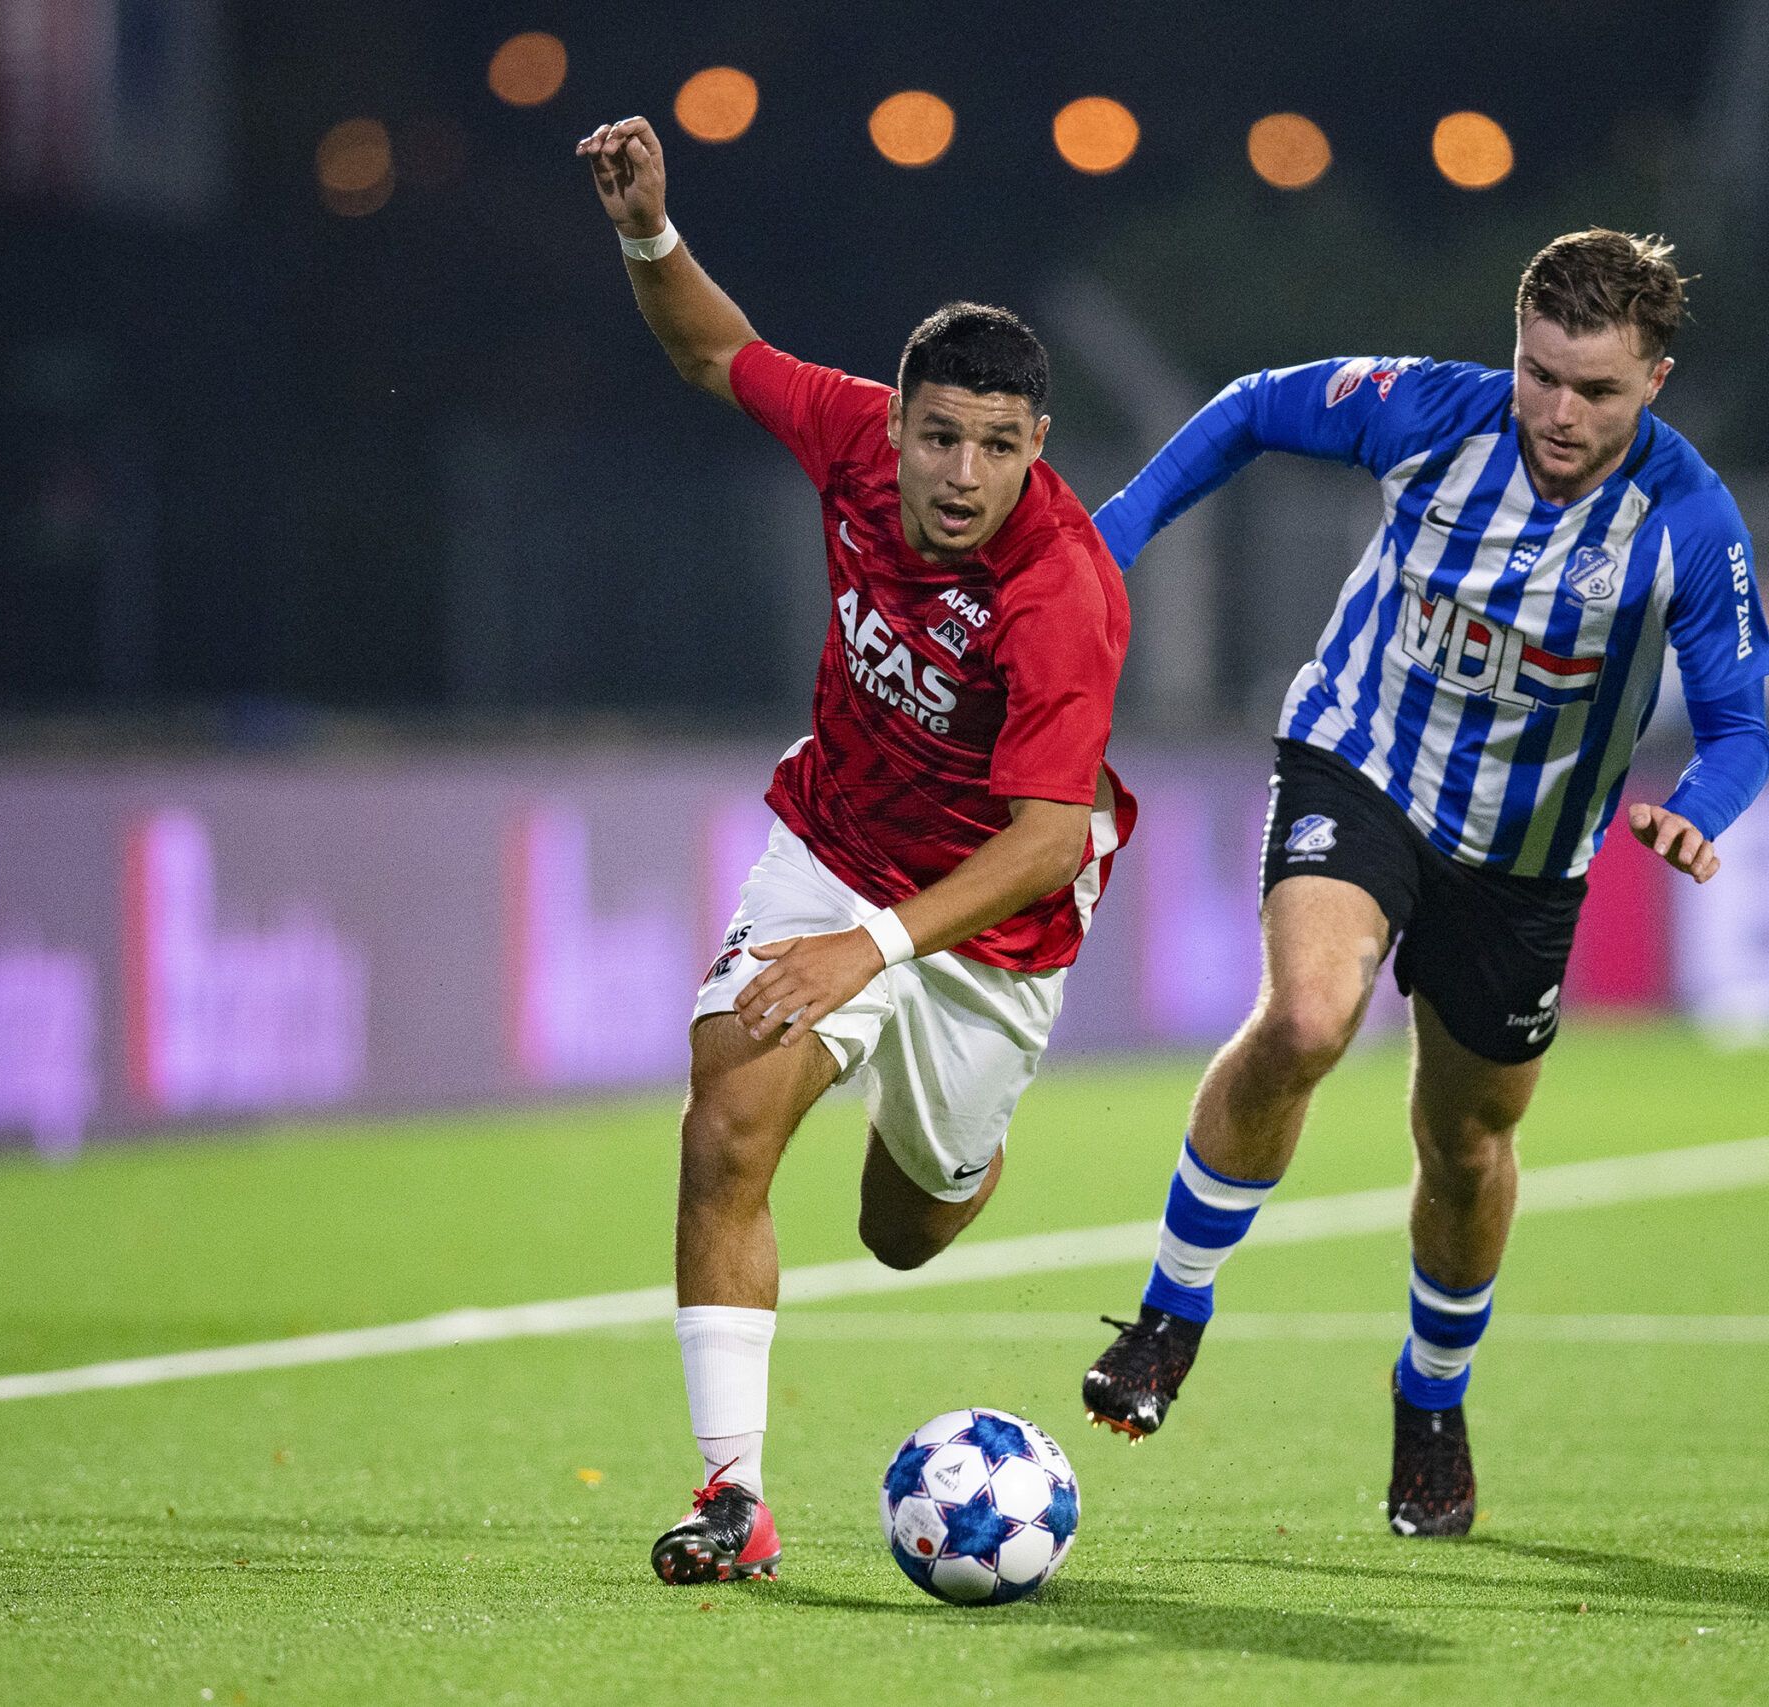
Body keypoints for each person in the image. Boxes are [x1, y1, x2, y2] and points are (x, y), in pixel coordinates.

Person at [1078, 230, 1769, 1537]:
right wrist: (1115, 534)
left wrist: (1694, 809)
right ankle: (1170, 1317)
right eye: (1540, 375)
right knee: (1303, 1022)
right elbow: (1247, 410)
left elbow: (1740, 726)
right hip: (1362, 766)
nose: (1560, 414)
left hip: (1523, 862)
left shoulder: (1690, 521)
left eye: (1597, 390)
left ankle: (1431, 1395)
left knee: (1465, 1149)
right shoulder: (1432, 413)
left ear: (1656, 381)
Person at [576, 116, 1135, 1585]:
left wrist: (871, 955)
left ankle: (958, 1151)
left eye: (998, 447)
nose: (962, 474)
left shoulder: (1061, 591)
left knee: (905, 1229)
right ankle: (730, 1495)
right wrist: (649, 230)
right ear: (894, 424)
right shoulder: (849, 445)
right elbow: (715, 351)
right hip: (832, 846)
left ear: (1038, 449)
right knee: (726, 1117)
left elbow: (1044, 843)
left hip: (989, 927)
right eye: (940, 435)